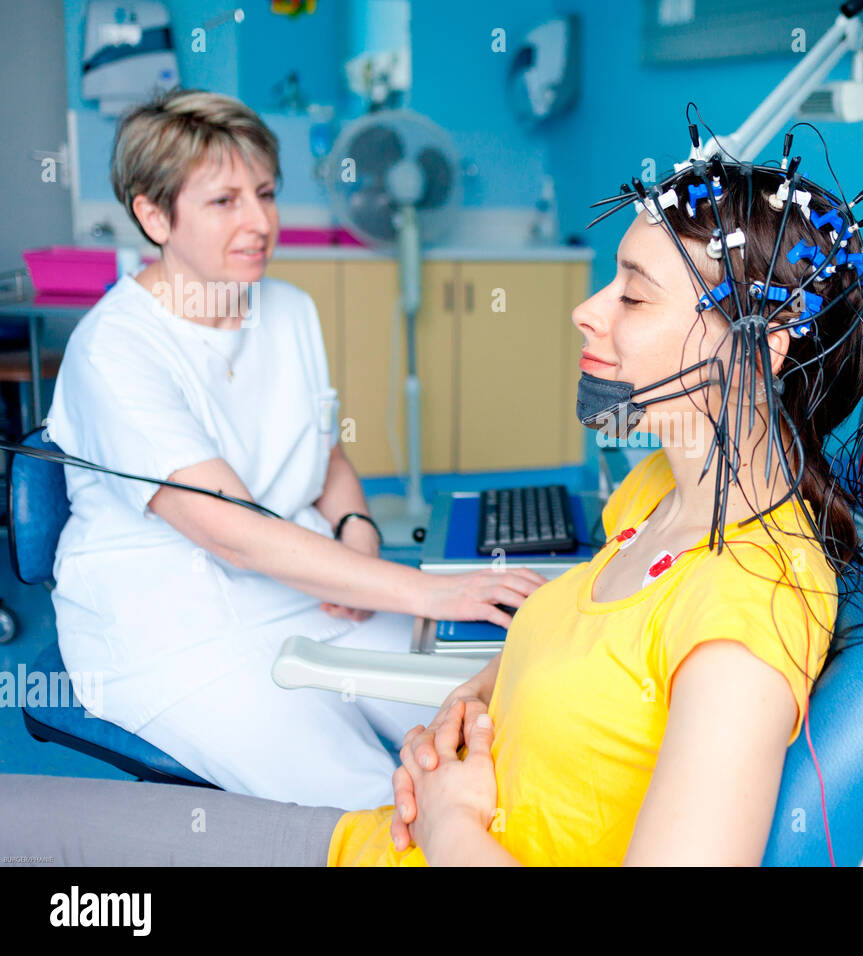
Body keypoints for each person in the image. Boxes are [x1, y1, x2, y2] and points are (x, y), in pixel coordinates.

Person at [1, 146, 863, 865]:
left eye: (634, 294)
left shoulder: (741, 617)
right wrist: (482, 695)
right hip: (368, 815)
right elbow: (596, 639)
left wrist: (453, 819)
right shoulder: (663, 493)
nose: (583, 309)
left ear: (764, 344)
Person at [40, 89, 544, 810]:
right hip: (176, 623)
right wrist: (430, 588)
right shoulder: (113, 349)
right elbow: (232, 534)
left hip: (307, 577)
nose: (260, 223)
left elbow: (322, 452)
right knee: (372, 801)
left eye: (267, 194)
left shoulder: (288, 308)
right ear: (154, 215)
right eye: (224, 202)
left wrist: (357, 533)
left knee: (494, 724)